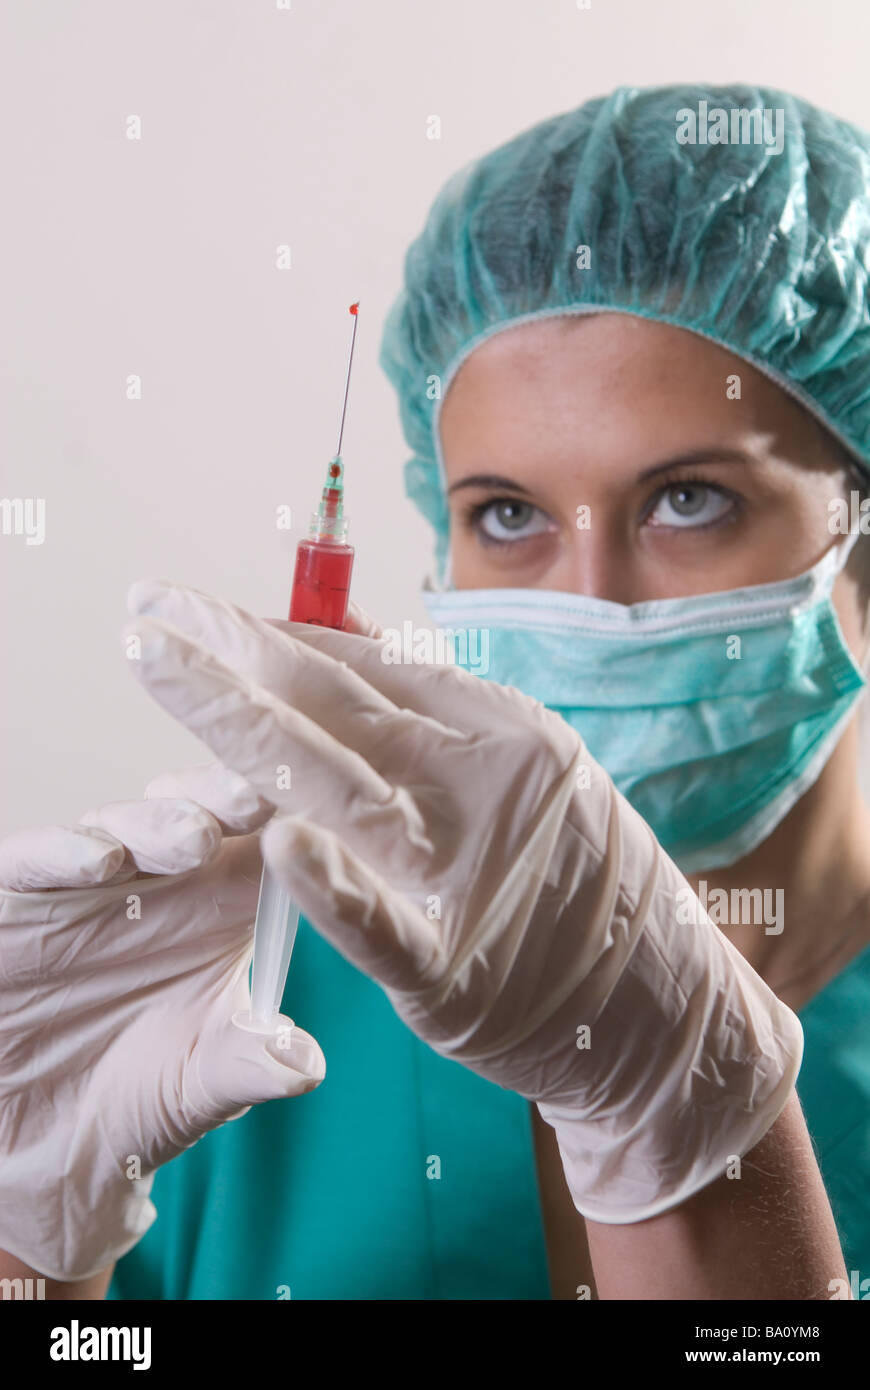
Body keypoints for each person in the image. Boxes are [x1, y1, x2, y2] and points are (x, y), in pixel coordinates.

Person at [0, 80, 867, 1301]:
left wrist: (703, 1121)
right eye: (507, 515)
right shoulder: (239, 1023)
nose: (591, 600)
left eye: (689, 499)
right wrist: (30, 1264)